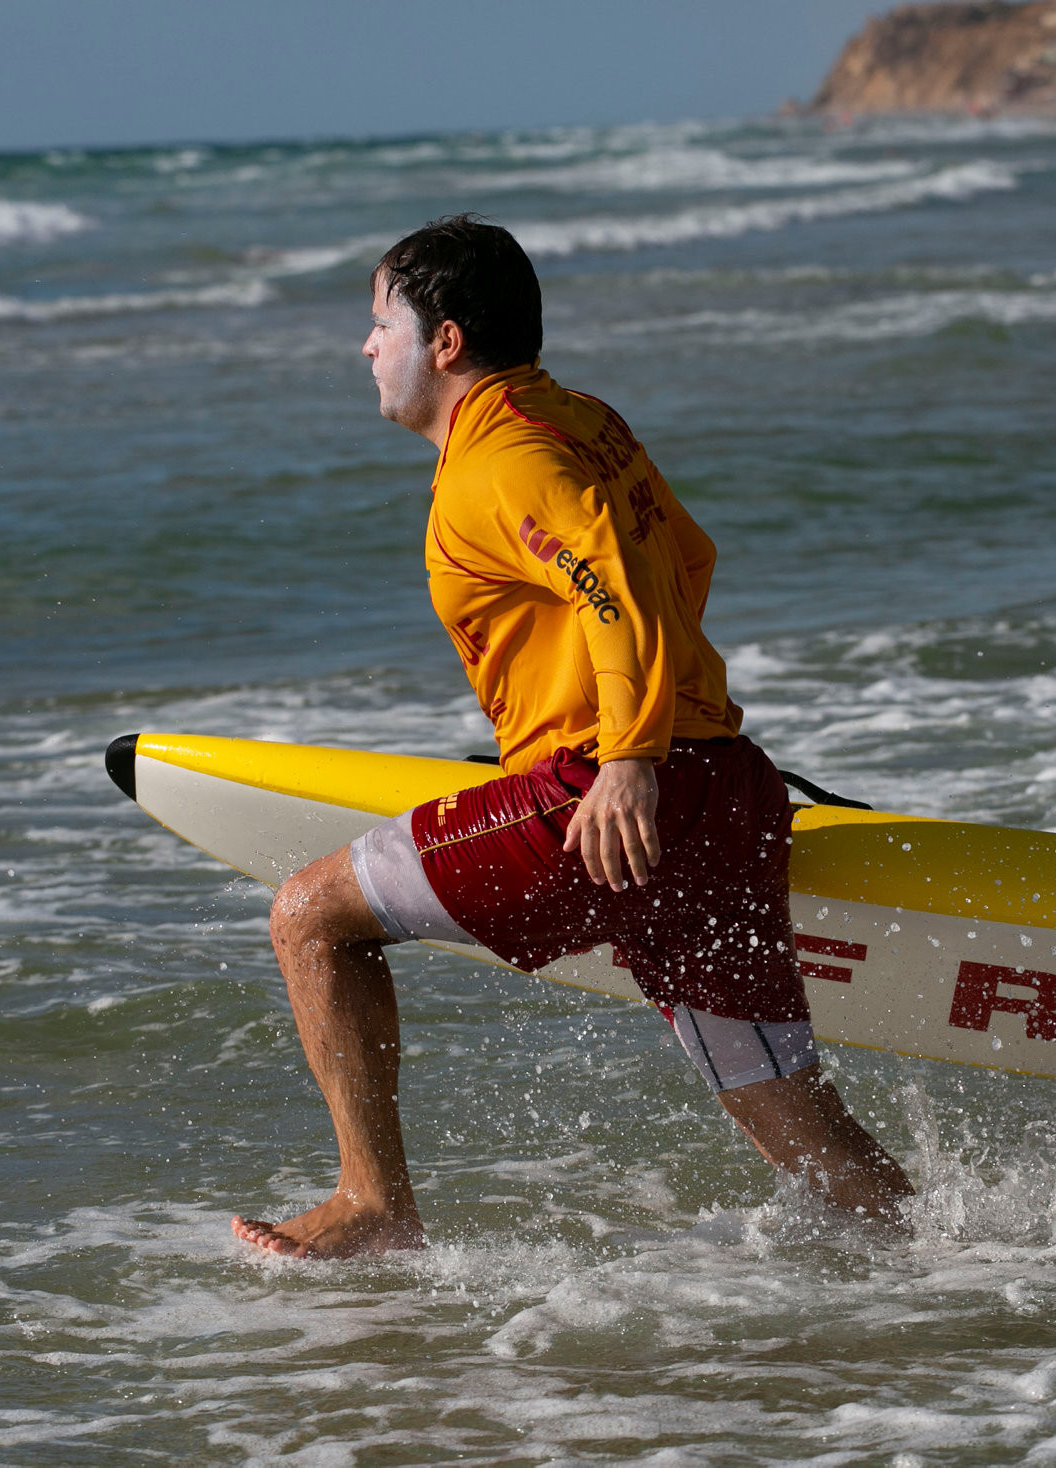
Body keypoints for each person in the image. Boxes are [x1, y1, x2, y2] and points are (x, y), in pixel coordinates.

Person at [231, 216, 913, 1259]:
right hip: (727, 789)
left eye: (379, 323)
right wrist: (663, 730)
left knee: (309, 918)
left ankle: (374, 1200)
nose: (366, 346)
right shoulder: (581, 420)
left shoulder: (498, 463)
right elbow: (686, 556)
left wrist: (628, 758)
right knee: (781, 1108)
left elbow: (620, 582)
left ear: (445, 340)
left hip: (605, 795)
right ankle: (948, 1259)